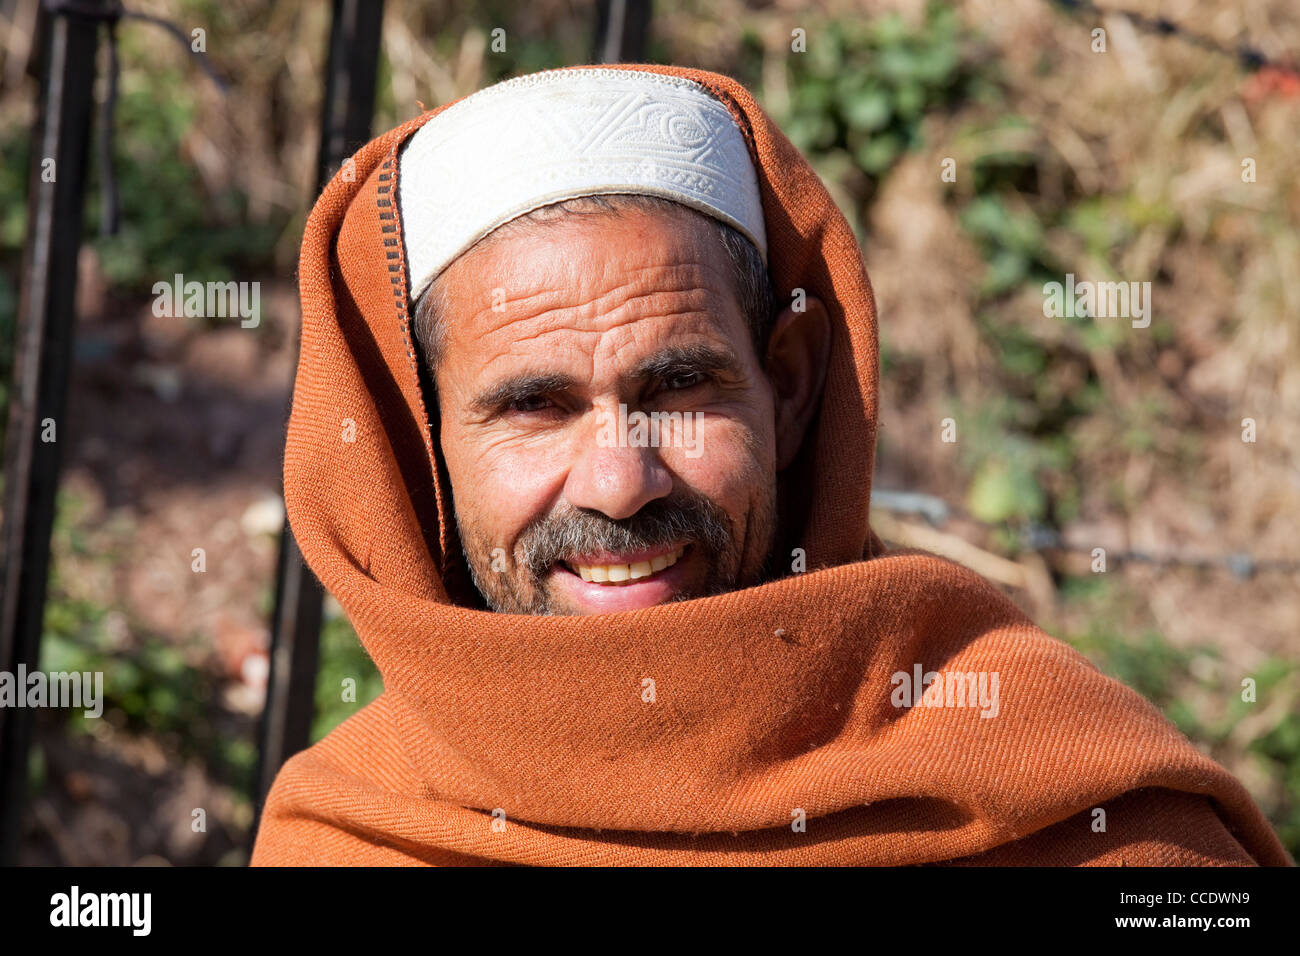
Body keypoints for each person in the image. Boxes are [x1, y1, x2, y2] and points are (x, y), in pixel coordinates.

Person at [251, 64, 1290, 866]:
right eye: (534, 405)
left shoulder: (1071, 794)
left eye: (681, 390)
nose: (620, 482)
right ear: (423, 439)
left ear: (787, 387)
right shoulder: (349, 831)